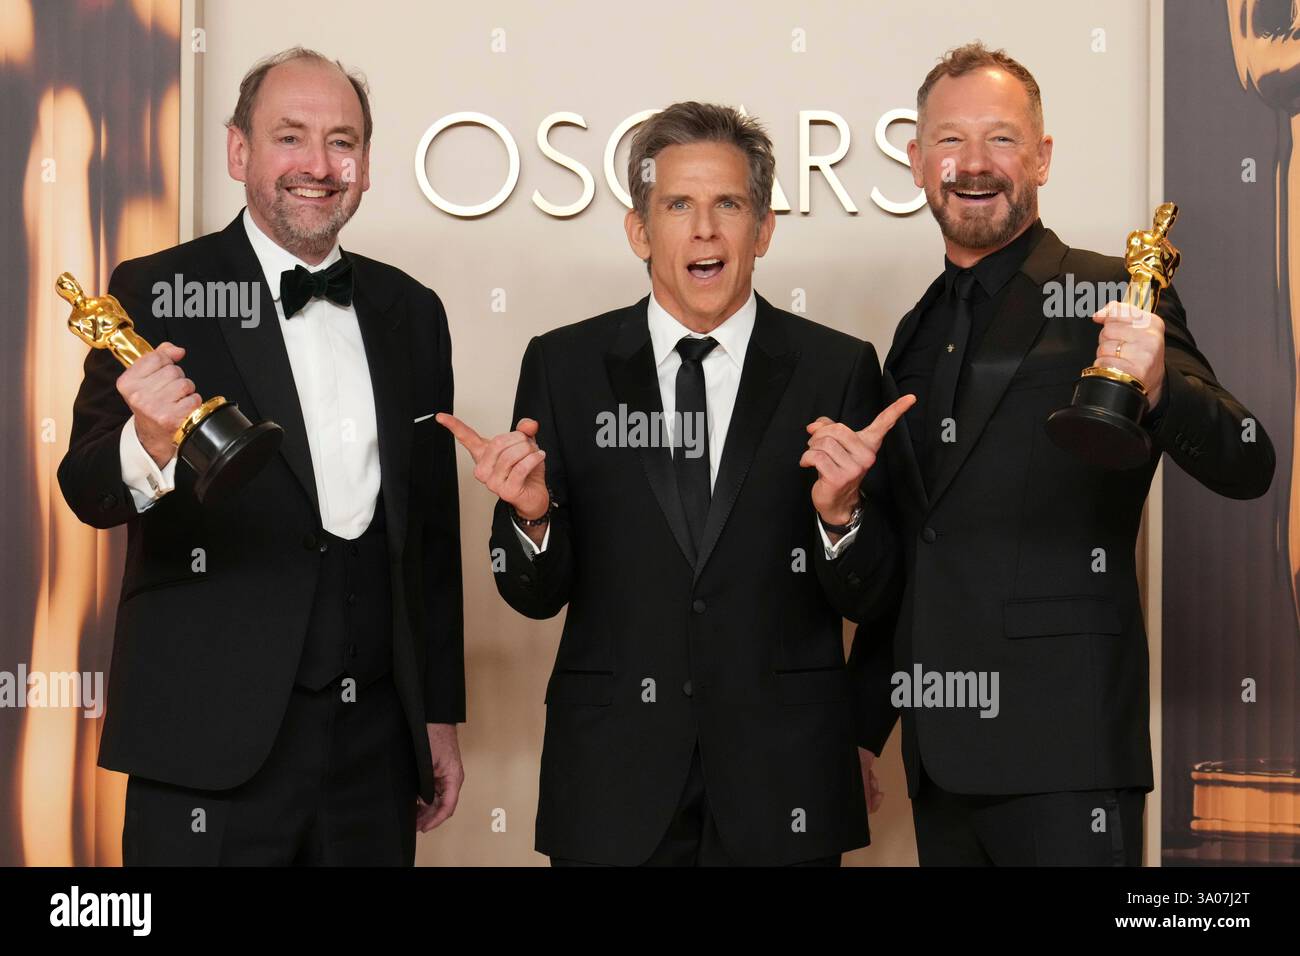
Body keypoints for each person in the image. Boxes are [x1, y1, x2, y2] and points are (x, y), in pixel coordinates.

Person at [440, 101, 908, 866]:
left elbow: (873, 596)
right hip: (610, 782)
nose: (705, 230)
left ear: (763, 230)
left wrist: (841, 517)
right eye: (678, 205)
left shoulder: (838, 366)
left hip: (784, 776)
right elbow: (533, 595)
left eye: (729, 204)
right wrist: (530, 518)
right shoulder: (564, 365)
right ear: (639, 229)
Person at [855, 41, 1275, 865]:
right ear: (915, 162)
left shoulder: (1114, 291)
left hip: (1068, 755)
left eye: (1001, 139)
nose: (974, 165)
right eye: (949, 140)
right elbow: (918, 545)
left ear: (1042, 156)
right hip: (939, 763)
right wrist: (863, 724)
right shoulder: (914, 330)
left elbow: (1247, 460)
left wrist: (1159, 387)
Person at [57, 47, 464, 865]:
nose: (319, 165)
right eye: (291, 137)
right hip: (204, 747)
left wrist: (438, 716)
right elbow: (88, 488)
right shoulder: (155, 288)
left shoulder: (410, 311)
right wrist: (148, 441)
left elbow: (429, 537)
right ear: (239, 151)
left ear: (366, 164)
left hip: (372, 750)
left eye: (342, 141)